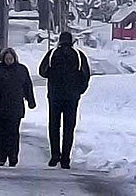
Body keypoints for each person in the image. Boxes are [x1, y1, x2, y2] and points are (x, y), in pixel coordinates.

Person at [37, 32, 92, 168]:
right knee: (69, 128)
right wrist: (79, 91)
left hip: (55, 96)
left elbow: (42, 71)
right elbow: (86, 75)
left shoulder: (52, 53)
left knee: (54, 126)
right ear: (72, 41)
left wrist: (53, 74)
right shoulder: (79, 55)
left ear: (59, 41)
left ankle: (55, 155)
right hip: (71, 97)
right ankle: (65, 159)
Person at [0, 47, 35, 166]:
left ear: (14, 58)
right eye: (7, 59)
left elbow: (27, 86)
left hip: (15, 108)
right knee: (0, 134)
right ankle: (1, 156)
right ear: (3, 58)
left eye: (11, 59)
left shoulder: (21, 70)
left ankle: (13, 156)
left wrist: (31, 100)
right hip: (0, 107)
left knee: (13, 133)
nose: (9, 61)